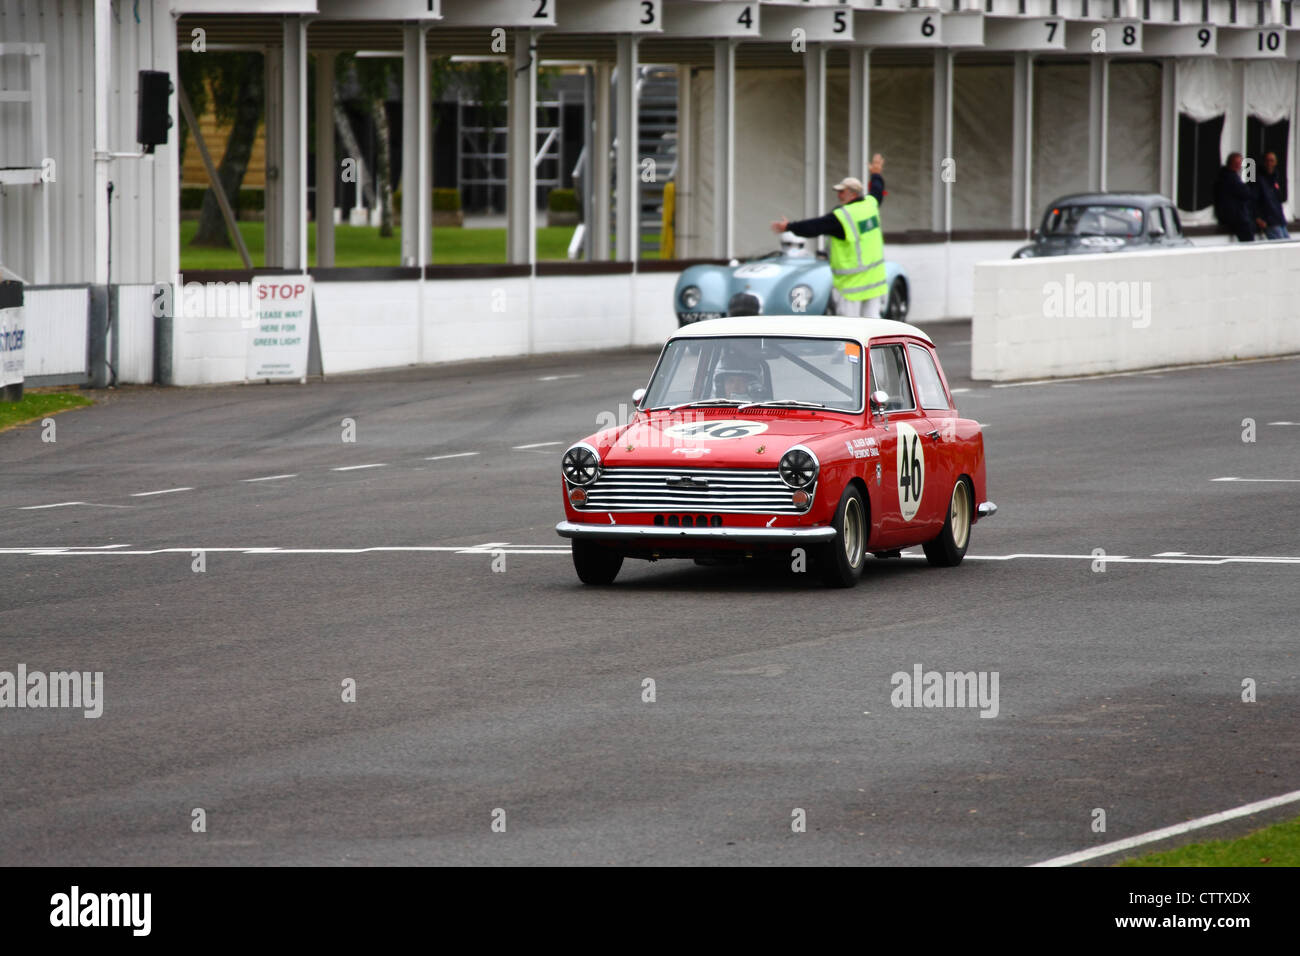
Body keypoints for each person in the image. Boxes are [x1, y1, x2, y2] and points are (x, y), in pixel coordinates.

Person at [770, 177, 887, 318]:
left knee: (849, 330)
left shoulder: (843, 217)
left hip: (851, 287)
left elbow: (815, 226)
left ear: (853, 193)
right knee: (873, 325)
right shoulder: (870, 205)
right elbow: (877, 191)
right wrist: (876, 174)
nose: (839, 195)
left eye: (842, 192)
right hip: (875, 282)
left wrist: (789, 226)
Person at [1213, 152, 1255, 242]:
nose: (1239, 166)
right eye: (1237, 163)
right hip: (1235, 217)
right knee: (1249, 241)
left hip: (1232, 215)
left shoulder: (1225, 176)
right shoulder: (1230, 178)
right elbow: (1246, 193)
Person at [1253, 151, 1290, 240]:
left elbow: (1278, 201)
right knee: (1281, 246)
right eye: (1267, 161)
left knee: (1287, 244)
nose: (1269, 163)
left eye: (1272, 161)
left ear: (1276, 162)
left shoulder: (1275, 179)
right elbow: (1253, 200)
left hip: (1279, 219)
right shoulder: (1258, 180)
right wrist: (1257, 218)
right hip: (1269, 220)